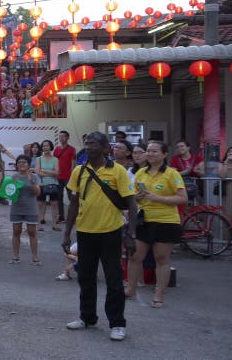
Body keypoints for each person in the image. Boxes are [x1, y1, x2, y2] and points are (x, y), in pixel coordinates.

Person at [61, 132, 138, 341]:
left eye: (93, 144)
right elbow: (74, 203)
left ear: (105, 149)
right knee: (85, 278)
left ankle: (117, 323)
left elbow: (131, 203)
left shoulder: (118, 171)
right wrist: (67, 233)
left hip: (111, 233)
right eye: (86, 143)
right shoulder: (79, 170)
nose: (88, 147)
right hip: (85, 232)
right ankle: (87, 317)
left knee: (113, 280)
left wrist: (130, 233)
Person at [127, 141, 187, 308]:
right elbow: (133, 197)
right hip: (144, 220)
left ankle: (159, 295)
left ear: (164, 154)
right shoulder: (140, 173)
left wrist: (159, 198)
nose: (150, 154)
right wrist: (137, 197)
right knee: (135, 256)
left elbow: (183, 198)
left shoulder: (171, 173)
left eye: (154, 151)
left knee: (161, 259)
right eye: (148, 151)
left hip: (166, 221)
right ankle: (130, 290)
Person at [8, 155, 42, 265]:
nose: (21, 164)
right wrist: (13, 185)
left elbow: (37, 193)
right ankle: (15, 257)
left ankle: (35, 257)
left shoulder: (34, 177)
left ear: (28, 164)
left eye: (24, 162)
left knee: (32, 232)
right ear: (16, 164)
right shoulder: (14, 176)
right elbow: (9, 194)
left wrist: (32, 182)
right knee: (16, 232)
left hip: (31, 208)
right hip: (16, 207)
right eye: (19, 162)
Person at [35, 140, 60, 230]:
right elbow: (37, 172)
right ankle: (39, 225)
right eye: (44, 146)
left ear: (51, 147)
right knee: (40, 204)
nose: (45, 147)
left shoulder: (55, 159)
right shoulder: (39, 159)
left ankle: (55, 225)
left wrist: (44, 170)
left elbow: (57, 173)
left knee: (54, 204)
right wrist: (51, 172)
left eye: (47, 146)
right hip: (41, 184)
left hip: (53, 184)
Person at [54, 130, 77, 224]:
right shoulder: (57, 149)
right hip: (58, 177)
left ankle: (72, 217)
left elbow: (73, 163)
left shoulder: (72, 149)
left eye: (63, 136)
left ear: (67, 138)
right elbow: (54, 162)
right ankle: (61, 217)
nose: (61, 138)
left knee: (71, 197)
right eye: (60, 136)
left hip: (68, 177)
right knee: (58, 197)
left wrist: (72, 175)